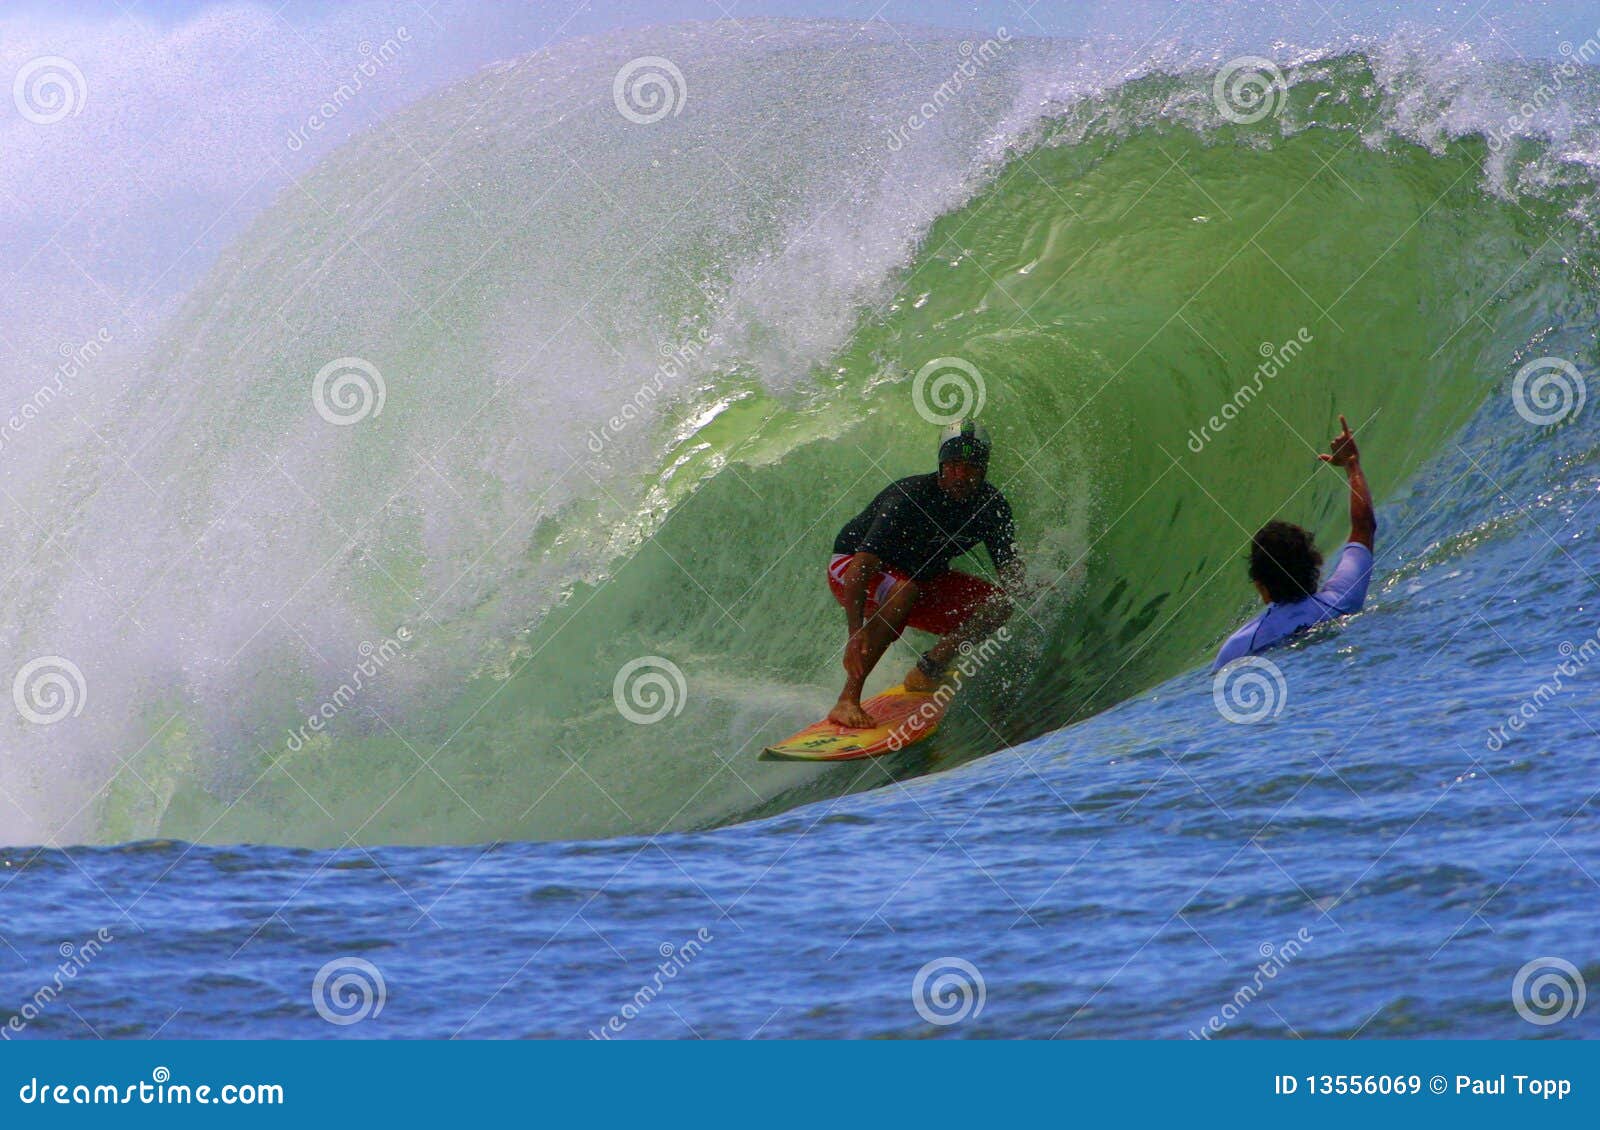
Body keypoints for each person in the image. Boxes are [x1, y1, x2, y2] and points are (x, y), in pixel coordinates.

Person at [825, 418, 1025, 729]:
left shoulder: (991, 507)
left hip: (916, 580)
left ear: (984, 468)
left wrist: (1026, 585)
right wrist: (855, 631)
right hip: (850, 569)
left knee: (1001, 603)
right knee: (903, 591)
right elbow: (861, 566)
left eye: (971, 467)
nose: (960, 475)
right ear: (941, 465)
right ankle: (847, 700)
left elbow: (1010, 572)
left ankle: (927, 671)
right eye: (953, 466)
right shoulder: (909, 497)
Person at [1212, 415, 1377, 671]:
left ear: (1261, 587)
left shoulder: (1240, 647)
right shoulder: (1340, 601)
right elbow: (1364, 527)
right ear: (1317, 563)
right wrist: (1352, 465)